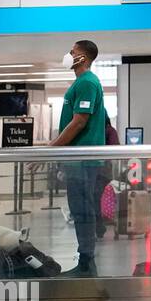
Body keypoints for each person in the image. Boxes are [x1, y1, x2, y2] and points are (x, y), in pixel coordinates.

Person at [49, 40, 106, 276]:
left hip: (83, 159)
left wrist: (52, 148)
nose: (69, 54)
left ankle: (86, 262)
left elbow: (79, 121)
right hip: (76, 160)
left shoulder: (87, 83)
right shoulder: (80, 83)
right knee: (79, 208)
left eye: (73, 51)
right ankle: (85, 260)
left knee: (83, 209)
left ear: (83, 57)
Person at [93, 114, 119, 241]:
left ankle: (98, 227)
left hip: (99, 172)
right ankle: (98, 227)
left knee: (94, 199)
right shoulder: (110, 131)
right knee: (95, 199)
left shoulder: (105, 131)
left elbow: (114, 149)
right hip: (103, 172)